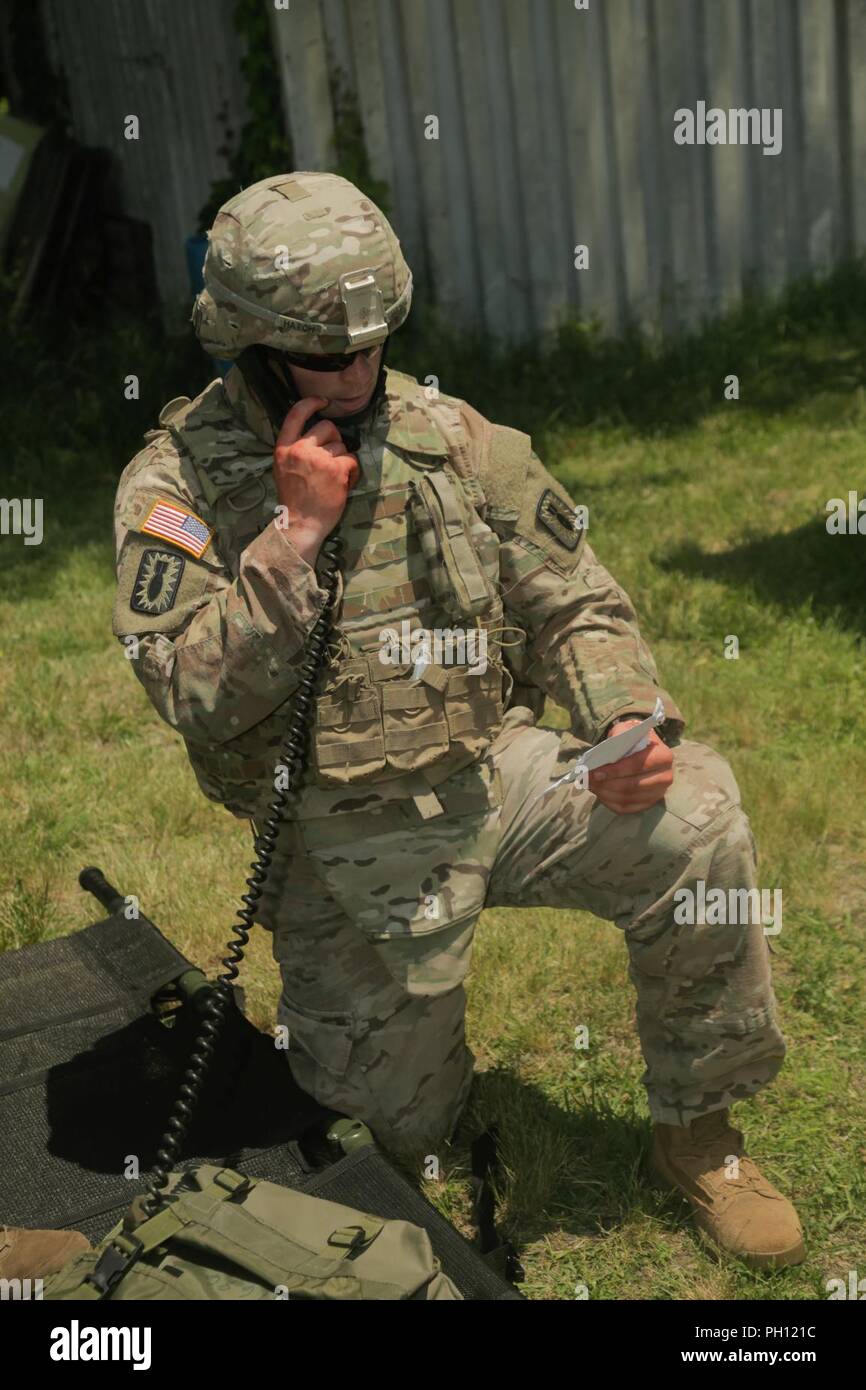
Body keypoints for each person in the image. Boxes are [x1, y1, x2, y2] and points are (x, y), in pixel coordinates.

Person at [110, 171, 804, 1269]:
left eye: (374, 343)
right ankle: (406, 1069)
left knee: (699, 815)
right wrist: (289, 542)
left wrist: (626, 718)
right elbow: (191, 693)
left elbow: (574, 595)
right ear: (247, 344)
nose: (357, 371)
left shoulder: (453, 437)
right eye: (324, 354)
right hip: (337, 831)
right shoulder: (178, 482)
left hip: (492, 771)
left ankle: (700, 1134)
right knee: (391, 1142)